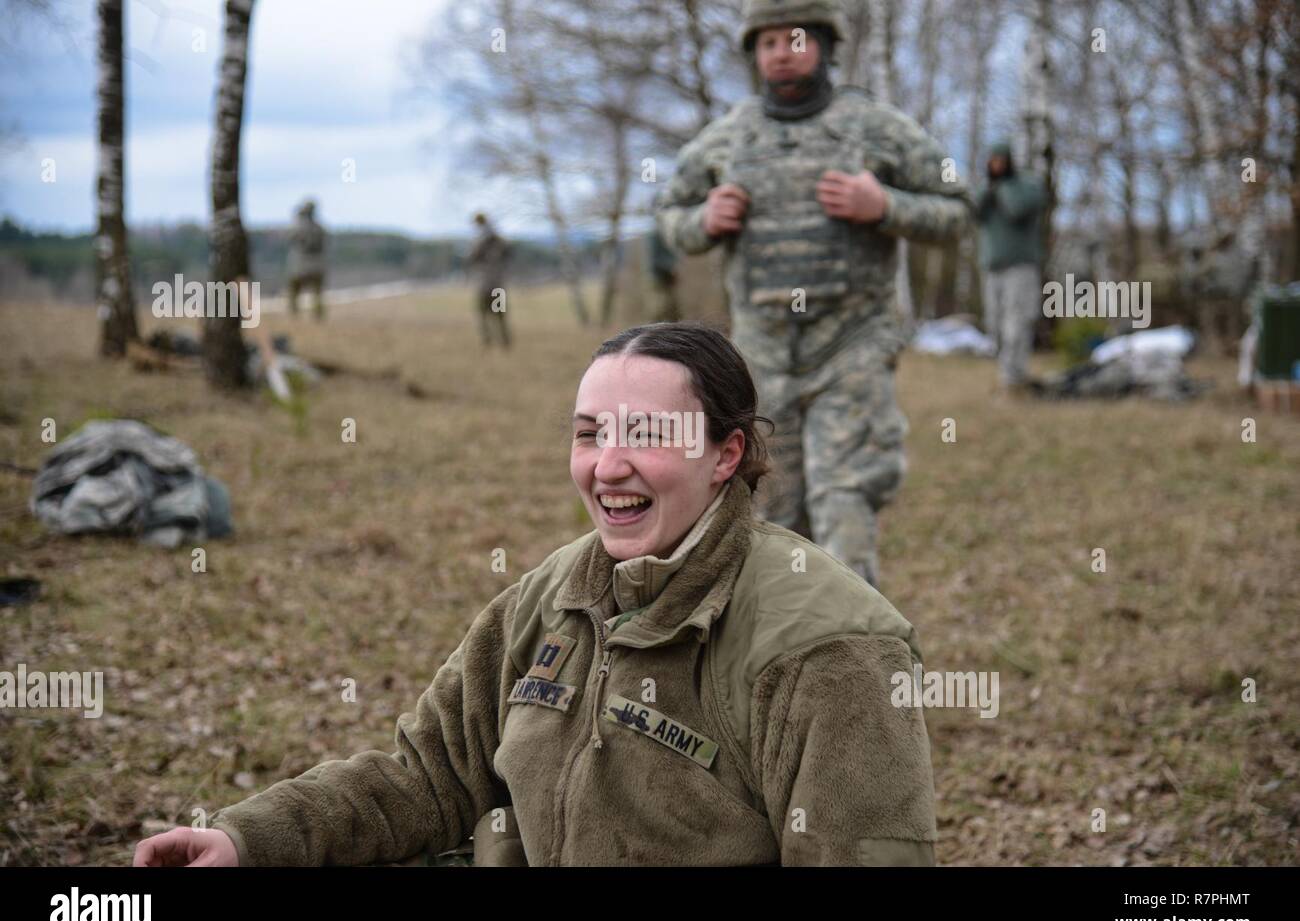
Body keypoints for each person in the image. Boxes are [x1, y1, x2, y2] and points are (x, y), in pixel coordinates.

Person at [132, 323, 936, 867]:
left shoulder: (828, 646)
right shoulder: (550, 596)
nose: (607, 465)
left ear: (726, 454)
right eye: (590, 433)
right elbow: (429, 779)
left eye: (646, 435)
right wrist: (245, 840)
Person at [654, 0, 970, 588]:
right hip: (764, 356)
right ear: (754, 54)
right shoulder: (730, 136)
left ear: (825, 46)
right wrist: (705, 219)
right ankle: (779, 657)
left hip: (851, 345)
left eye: (795, 38)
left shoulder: (874, 127)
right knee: (770, 514)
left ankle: (856, 661)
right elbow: (671, 212)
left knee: (844, 501)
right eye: (768, 41)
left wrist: (886, 207)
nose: (782, 51)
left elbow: (957, 206)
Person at [973, 141, 1046, 389]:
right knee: (995, 326)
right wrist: (988, 188)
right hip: (992, 268)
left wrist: (1000, 187)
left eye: (1000, 160)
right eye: (991, 160)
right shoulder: (985, 189)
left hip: (1020, 268)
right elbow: (974, 210)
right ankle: (1009, 376)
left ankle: (1014, 379)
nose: (995, 165)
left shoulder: (1027, 186)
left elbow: (1016, 210)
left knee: (1017, 323)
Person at [465, 212, 512, 349]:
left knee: (488, 315)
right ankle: (501, 342)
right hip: (495, 284)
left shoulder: (481, 241)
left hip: (487, 285)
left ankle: (493, 342)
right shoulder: (499, 240)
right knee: (496, 315)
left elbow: (472, 258)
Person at [286, 199, 326, 320]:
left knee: (293, 290)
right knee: (317, 294)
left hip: (300, 265)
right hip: (317, 265)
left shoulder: (298, 228)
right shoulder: (319, 228)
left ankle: (294, 315)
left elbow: (290, 238)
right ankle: (318, 316)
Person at [647, 227, 681, 323]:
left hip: (668, 278)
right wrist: (670, 268)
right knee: (660, 307)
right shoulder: (655, 234)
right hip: (658, 278)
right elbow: (655, 259)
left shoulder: (670, 231)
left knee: (672, 307)